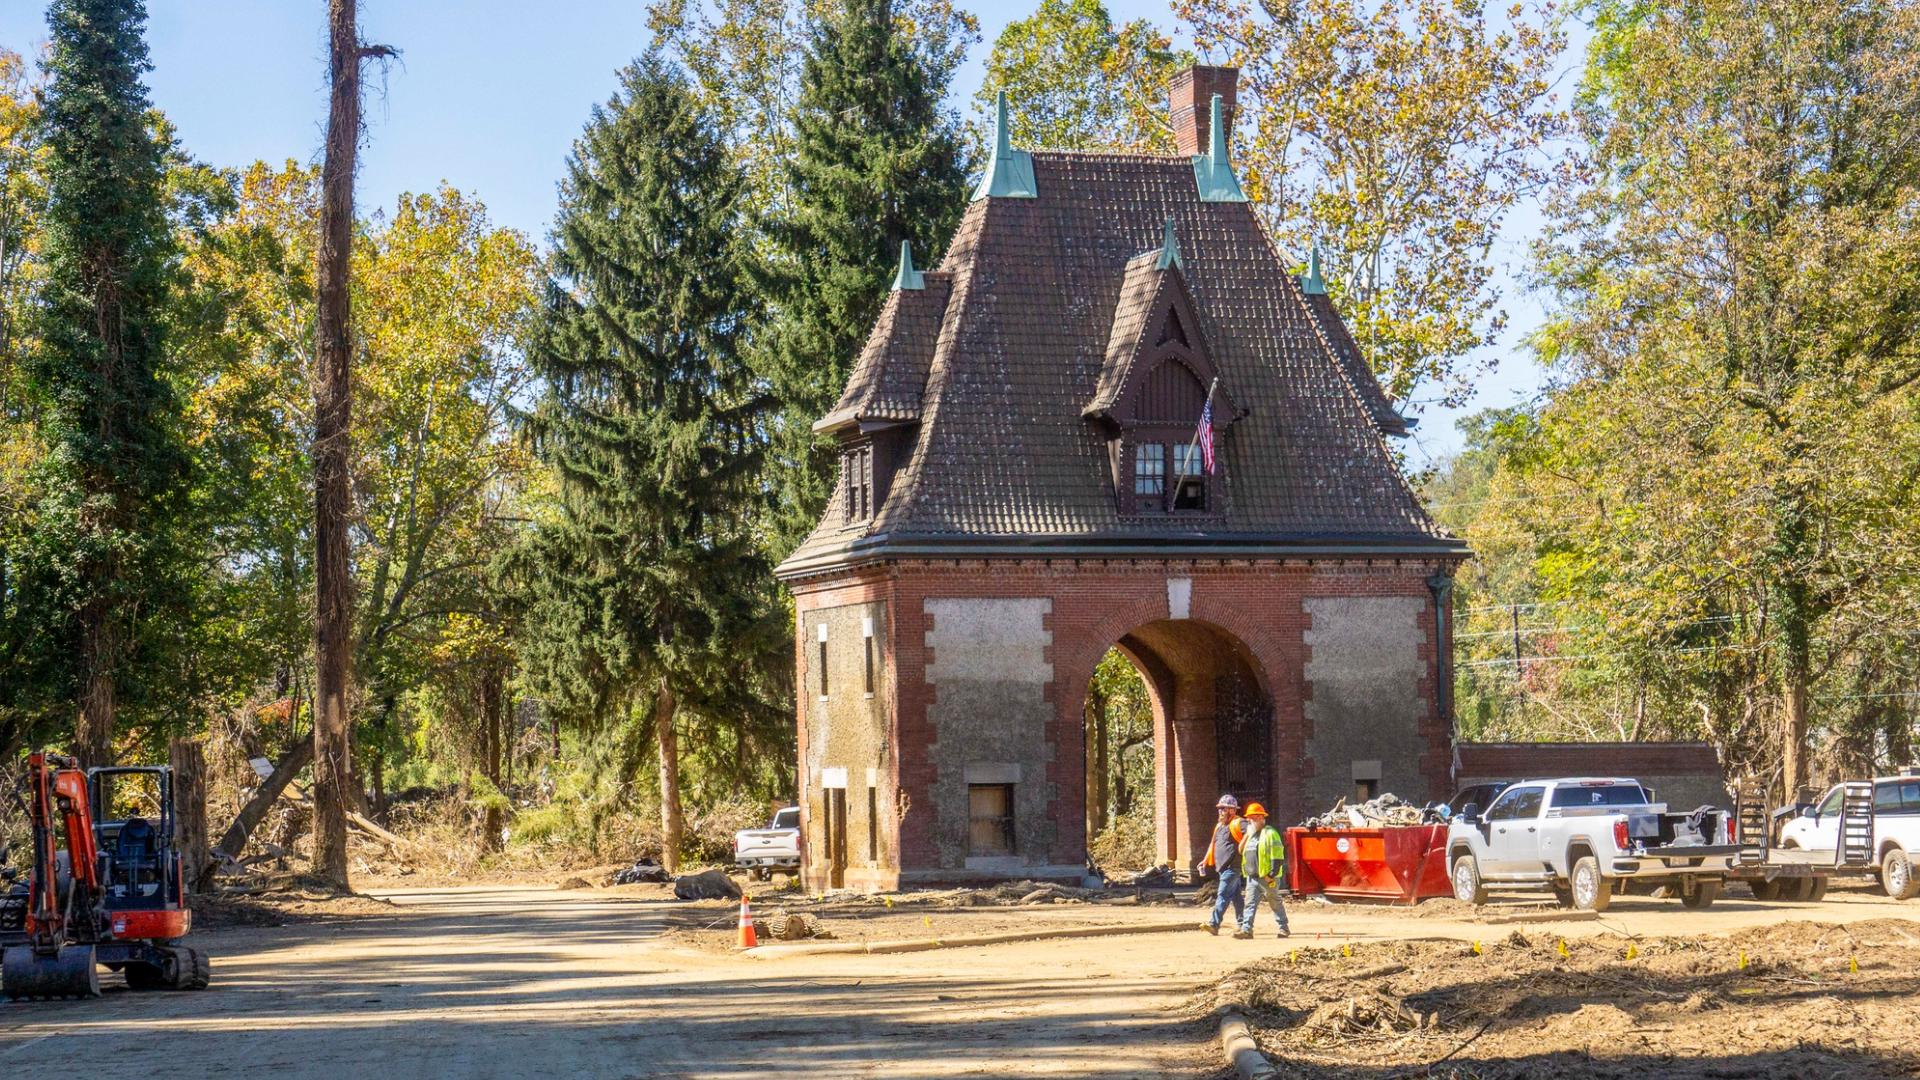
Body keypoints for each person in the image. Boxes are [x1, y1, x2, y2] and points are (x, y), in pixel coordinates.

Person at [1234, 803, 1290, 939]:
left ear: (1261, 817)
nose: (1249, 821)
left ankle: (1284, 928)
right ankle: (1246, 930)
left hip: (1267, 877)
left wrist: (1271, 874)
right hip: (1253, 877)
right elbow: (1240, 850)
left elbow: (1278, 856)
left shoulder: (1271, 833)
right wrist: (1247, 835)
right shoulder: (1251, 835)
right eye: (1248, 818)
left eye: (1252, 818)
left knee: (1274, 902)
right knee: (1250, 903)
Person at [1196, 794, 1245, 935]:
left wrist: (1243, 847)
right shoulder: (1219, 826)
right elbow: (1213, 844)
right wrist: (1205, 861)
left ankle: (1214, 924)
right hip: (1222, 868)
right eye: (1220, 809)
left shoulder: (1239, 823)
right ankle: (1243, 923)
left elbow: (1252, 833)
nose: (1220, 811)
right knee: (1236, 897)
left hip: (1232, 867)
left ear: (1232, 810)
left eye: (1223, 809)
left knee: (1222, 894)